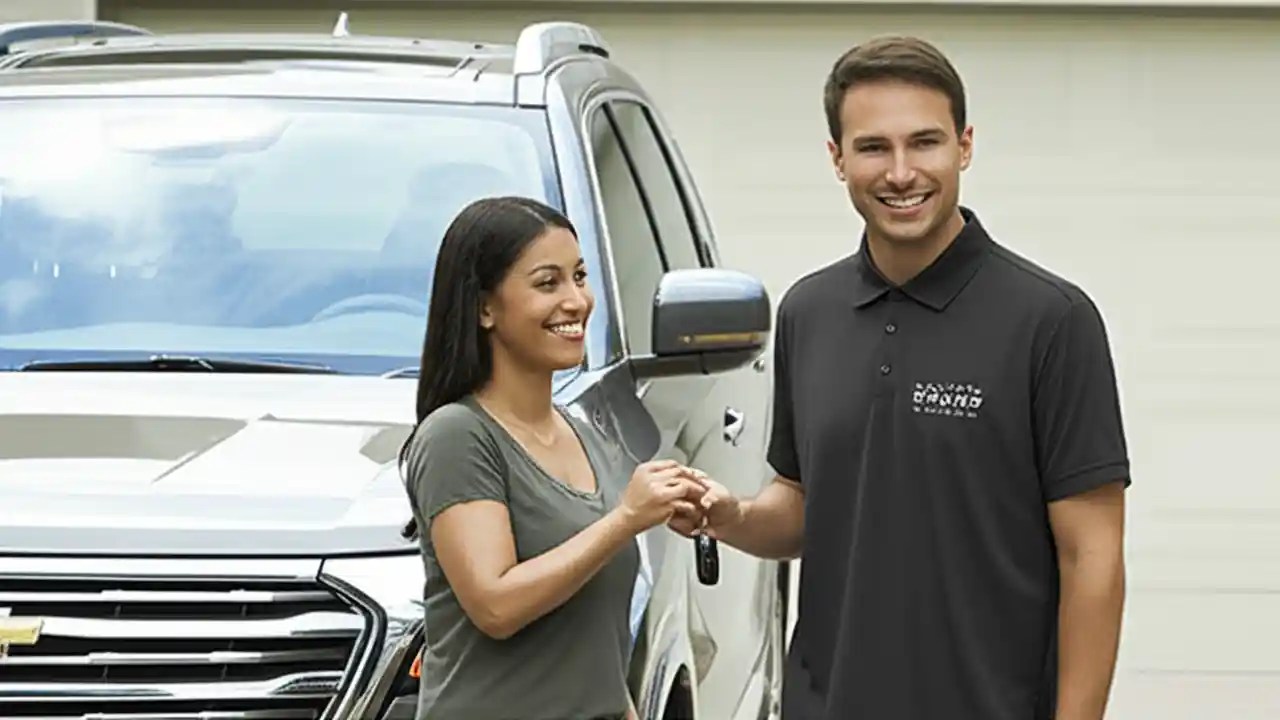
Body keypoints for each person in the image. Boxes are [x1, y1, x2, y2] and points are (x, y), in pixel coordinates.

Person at [671, 36, 1131, 720]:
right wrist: (731, 516)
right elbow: (803, 503)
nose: (902, 172)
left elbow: (1092, 557)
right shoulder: (808, 311)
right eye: (873, 148)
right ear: (837, 158)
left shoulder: (1051, 321)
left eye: (925, 143)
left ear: (965, 146)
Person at [400, 196, 704, 720]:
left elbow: (596, 653)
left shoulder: (586, 435)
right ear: (484, 308)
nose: (577, 301)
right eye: (548, 283)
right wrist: (625, 520)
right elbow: (495, 604)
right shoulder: (457, 436)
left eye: (580, 277)